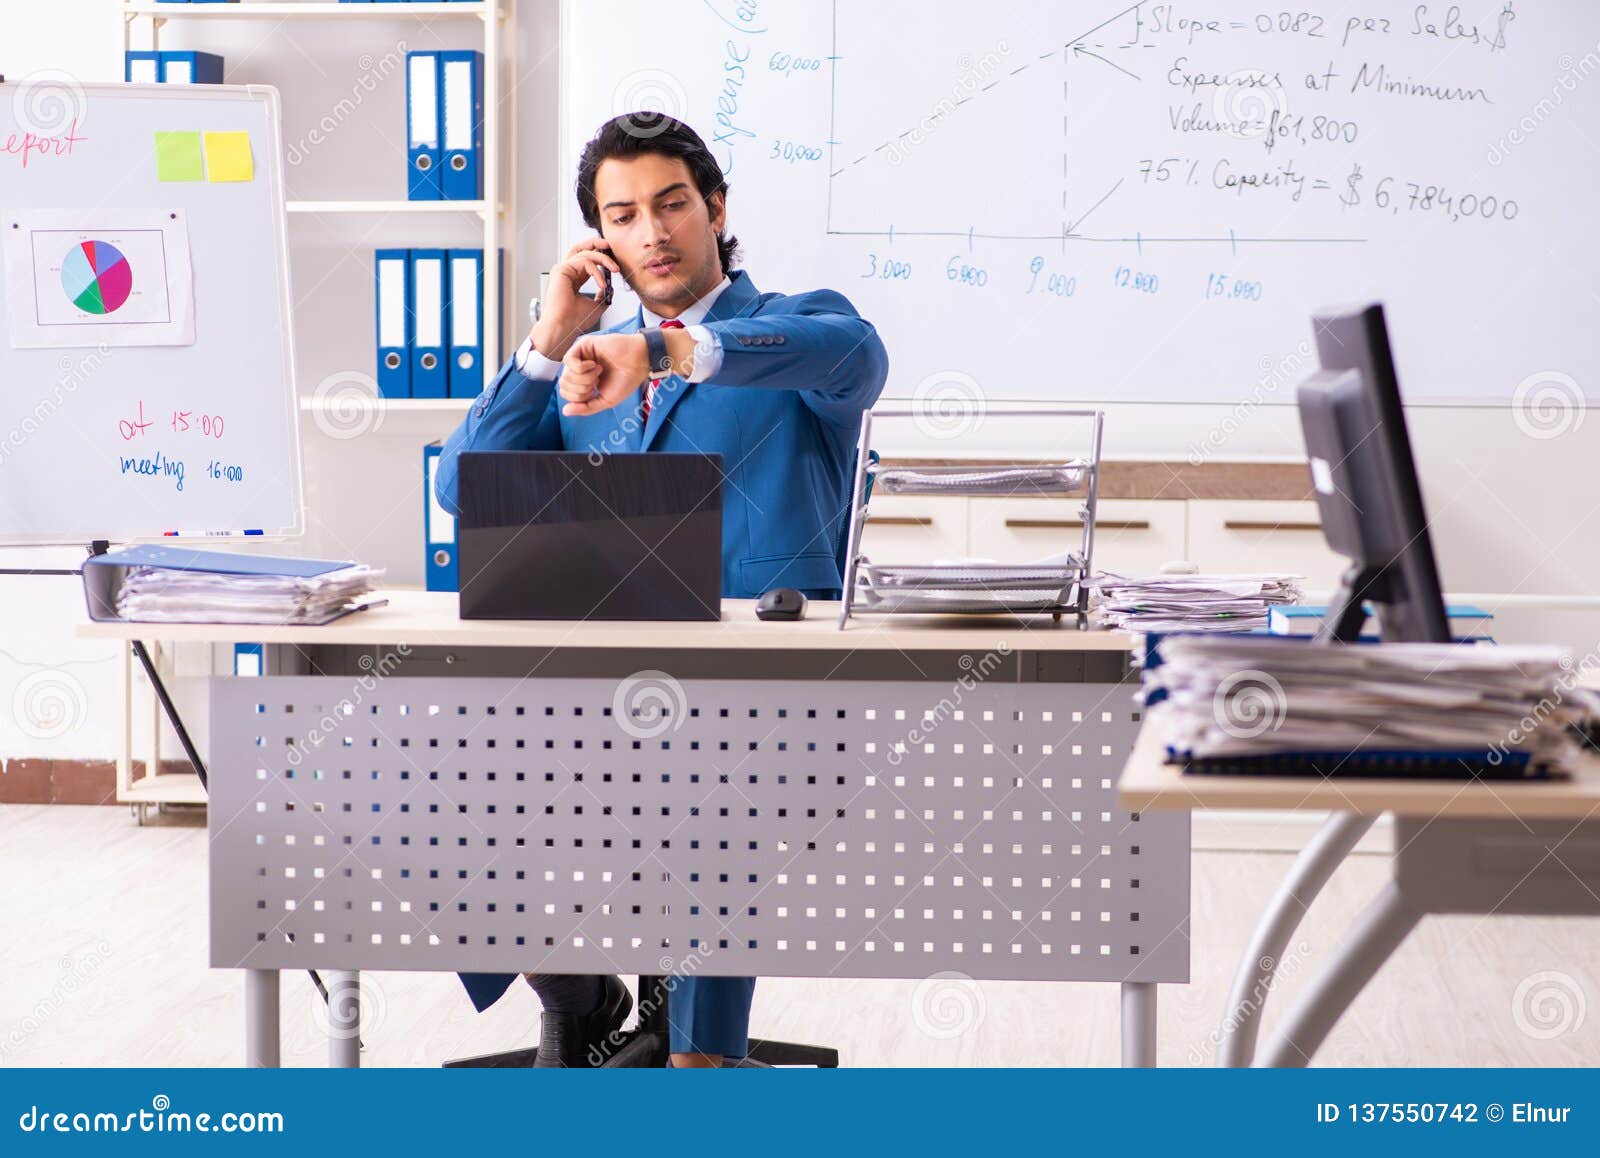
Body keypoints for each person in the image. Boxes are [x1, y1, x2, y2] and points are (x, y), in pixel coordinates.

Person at [434, 112, 889, 1067]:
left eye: (674, 204)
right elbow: (460, 490)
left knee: (709, 798)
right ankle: (577, 990)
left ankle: (698, 1058)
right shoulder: (583, 365)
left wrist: (671, 351)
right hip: (599, 703)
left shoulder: (803, 328)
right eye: (625, 213)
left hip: (761, 713)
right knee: (435, 773)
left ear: (715, 210)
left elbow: (856, 357)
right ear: (602, 238)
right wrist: (550, 341)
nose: (654, 232)